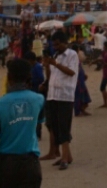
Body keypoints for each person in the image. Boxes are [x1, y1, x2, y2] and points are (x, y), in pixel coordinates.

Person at [0, 58, 46, 188]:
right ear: (29, 76)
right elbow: (38, 122)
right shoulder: (39, 100)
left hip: (7, 165)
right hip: (31, 164)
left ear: (9, 76)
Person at [41, 30, 77, 170]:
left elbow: (71, 72)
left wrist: (55, 64)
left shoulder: (72, 55)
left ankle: (64, 157)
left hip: (65, 95)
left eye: (57, 44)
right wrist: (47, 65)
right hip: (52, 95)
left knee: (64, 126)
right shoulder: (55, 55)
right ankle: (67, 155)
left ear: (65, 43)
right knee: (54, 127)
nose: (55, 47)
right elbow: (51, 76)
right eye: (54, 45)